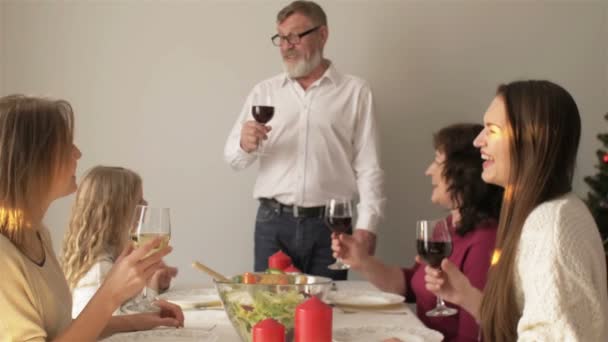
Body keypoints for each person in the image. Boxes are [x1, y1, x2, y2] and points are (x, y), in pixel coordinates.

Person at [424, 80, 608, 341]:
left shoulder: (550, 225)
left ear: (530, 140)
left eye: (492, 130)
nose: (478, 141)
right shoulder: (552, 212)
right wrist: (465, 295)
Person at [0, 95, 184, 342]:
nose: (77, 153)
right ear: (31, 160)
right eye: (66, 146)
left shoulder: (37, 233)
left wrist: (135, 321)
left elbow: (60, 332)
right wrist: (111, 293)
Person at [224, 0, 385, 280]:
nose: (287, 46)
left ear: (322, 35)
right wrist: (244, 144)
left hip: (332, 228)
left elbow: (368, 165)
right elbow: (233, 159)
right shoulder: (265, 92)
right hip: (272, 224)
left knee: (326, 312)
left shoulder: (355, 92)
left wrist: (367, 225)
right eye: (281, 38)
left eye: (295, 37)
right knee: (270, 311)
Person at [332, 123, 502, 341]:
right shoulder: (448, 226)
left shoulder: (485, 241)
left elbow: (474, 336)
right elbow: (412, 286)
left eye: (438, 162)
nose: (428, 170)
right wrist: (361, 261)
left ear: (463, 174)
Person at [62, 166, 178, 317]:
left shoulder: (112, 256)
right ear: (116, 211)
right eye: (139, 202)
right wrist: (150, 287)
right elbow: (117, 325)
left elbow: (129, 308)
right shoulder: (100, 270)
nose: (145, 207)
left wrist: (153, 281)